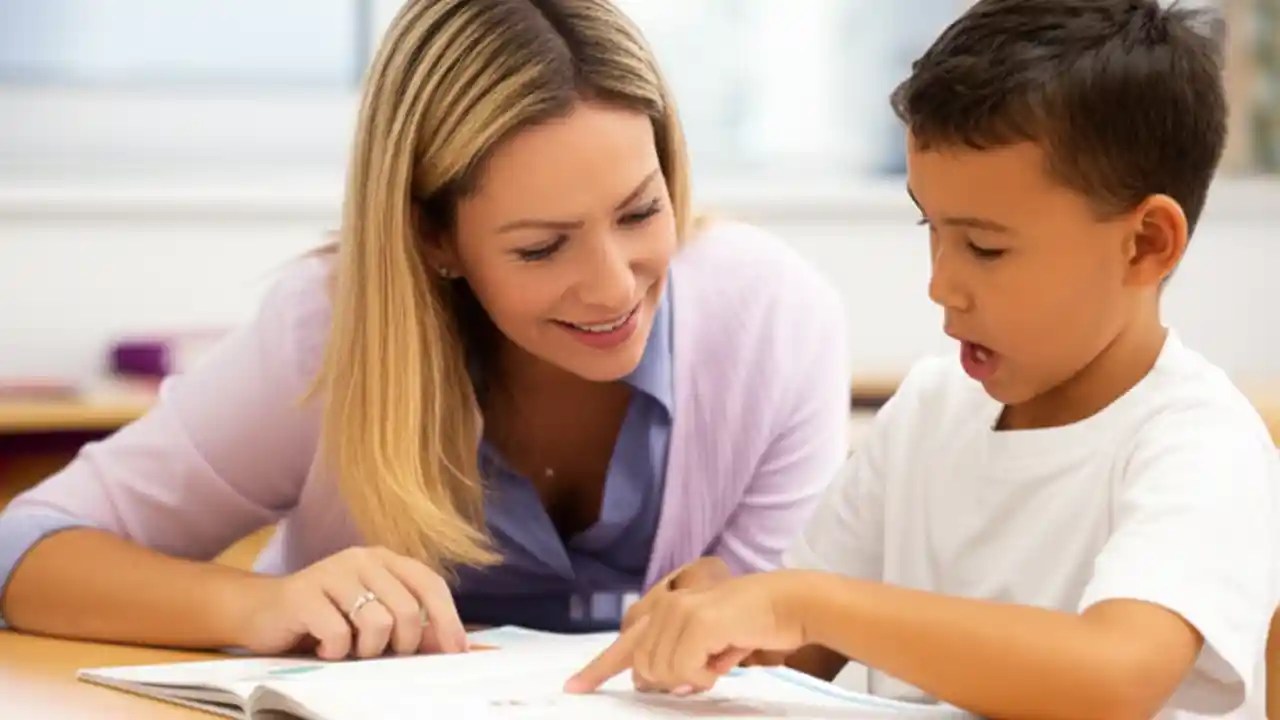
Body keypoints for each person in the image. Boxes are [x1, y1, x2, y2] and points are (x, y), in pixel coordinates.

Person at [0, 0, 850, 661]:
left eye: (640, 211)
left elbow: (793, 649)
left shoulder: (771, 321)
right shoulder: (326, 332)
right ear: (433, 237)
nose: (611, 284)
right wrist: (260, 606)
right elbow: (25, 551)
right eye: (541, 246)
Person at [566, 1, 1280, 718]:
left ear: (1147, 243)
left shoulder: (1201, 443)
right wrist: (723, 619)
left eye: (986, 247)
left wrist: (806, 602)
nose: (940, 284)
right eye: (929, 227)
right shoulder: (929, 413)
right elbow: (799, 645)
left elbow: (1117, 675)